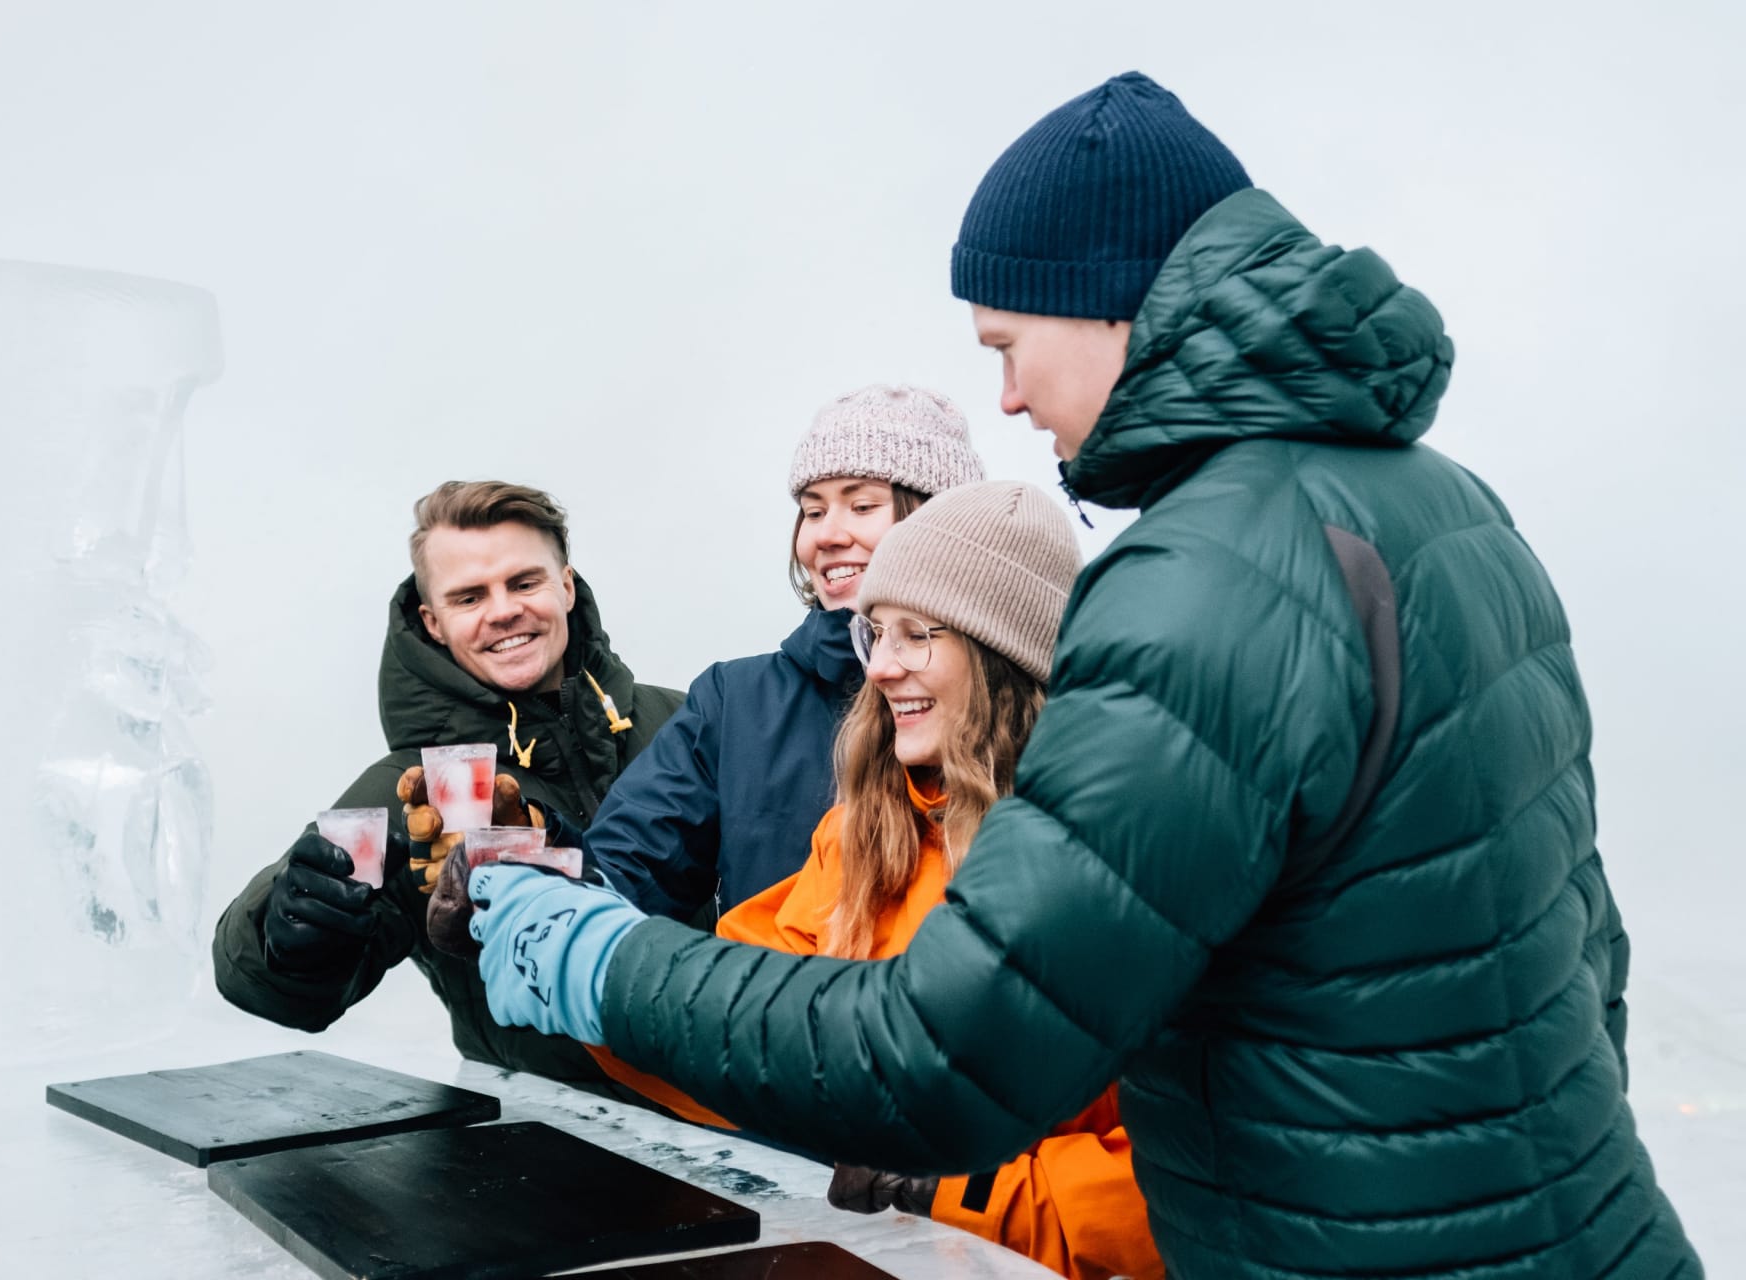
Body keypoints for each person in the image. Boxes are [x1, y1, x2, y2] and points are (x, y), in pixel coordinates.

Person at [464, 72, 1702, 1278]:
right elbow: (1586, 950)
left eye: (1009, 342)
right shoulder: (1448, 509)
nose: (1005, 393)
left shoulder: (1212, 566)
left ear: (1108, 301)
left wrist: (600, 961)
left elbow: (947, 1051)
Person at [583, 482, 1162, 1280]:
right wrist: (574, 965)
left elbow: (1182, 1183)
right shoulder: (861, 836)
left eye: (918, 634)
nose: (882, 668)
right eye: (875, 633)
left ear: (1006, 658)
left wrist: (955, 1187)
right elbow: (739, 1028)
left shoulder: (1125, 856)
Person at [211, 479, 682, 1091]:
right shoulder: (409, 789)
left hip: (766, 1103)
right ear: (432, 623)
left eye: (524, 582)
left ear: (566, 586)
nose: (503, 610)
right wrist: (288, 933)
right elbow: (267, 986)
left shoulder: (684, 724)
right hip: (563, 1129)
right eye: (468, 597)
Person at [581, 384, 984, 922]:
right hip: (770, 999)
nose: (826, 536)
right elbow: (624, 868)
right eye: (812, 512)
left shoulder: (1010, 692)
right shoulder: (735, 702)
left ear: (939, 521)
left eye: (862, 504)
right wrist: (523, 880)